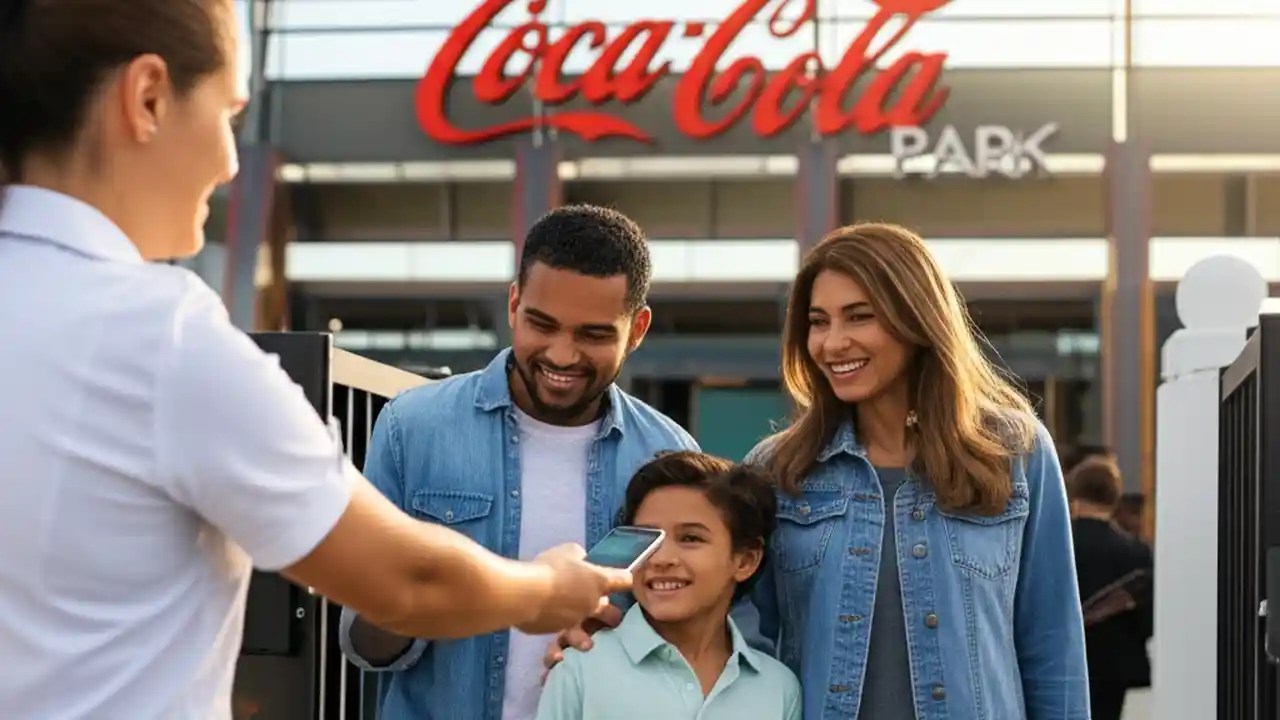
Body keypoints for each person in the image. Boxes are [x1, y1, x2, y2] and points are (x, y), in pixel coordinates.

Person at [0, 2, 630, 718]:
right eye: (229, 116)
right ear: (147, 98)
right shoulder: (160, 338)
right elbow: (403, 582)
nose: (230, 161)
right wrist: (548, 588)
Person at [547, 222, 1090, 719]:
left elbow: (1052, 644)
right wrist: (598, 623)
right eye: (817, 322)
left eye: (860, 316)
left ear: (917, 318)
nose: (833, 343)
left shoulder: (1013, 451)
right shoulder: (779, 470)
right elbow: (728, 631)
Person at [337, 204, 700, 720]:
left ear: (637, 329)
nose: (561, 355)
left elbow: (694, 645)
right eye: (541, 324)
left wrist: (627, 640)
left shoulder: (671, 455)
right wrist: (421, 593)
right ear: (513, 304)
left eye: (593, 335)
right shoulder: (412, 427)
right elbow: (362, 646)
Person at [536, 451, 801, 720]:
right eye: (647, 539)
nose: (661, 559)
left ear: (745, 560)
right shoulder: (580, 668)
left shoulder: (778, 688)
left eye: (690, 538)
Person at [1067, 456, 1153, 720]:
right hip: (1113, 668)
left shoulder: (1055, 545)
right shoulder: (1135, 552)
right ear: (1114, 499)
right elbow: (1146, 622)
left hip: (1063, 662)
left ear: (1074, 496)